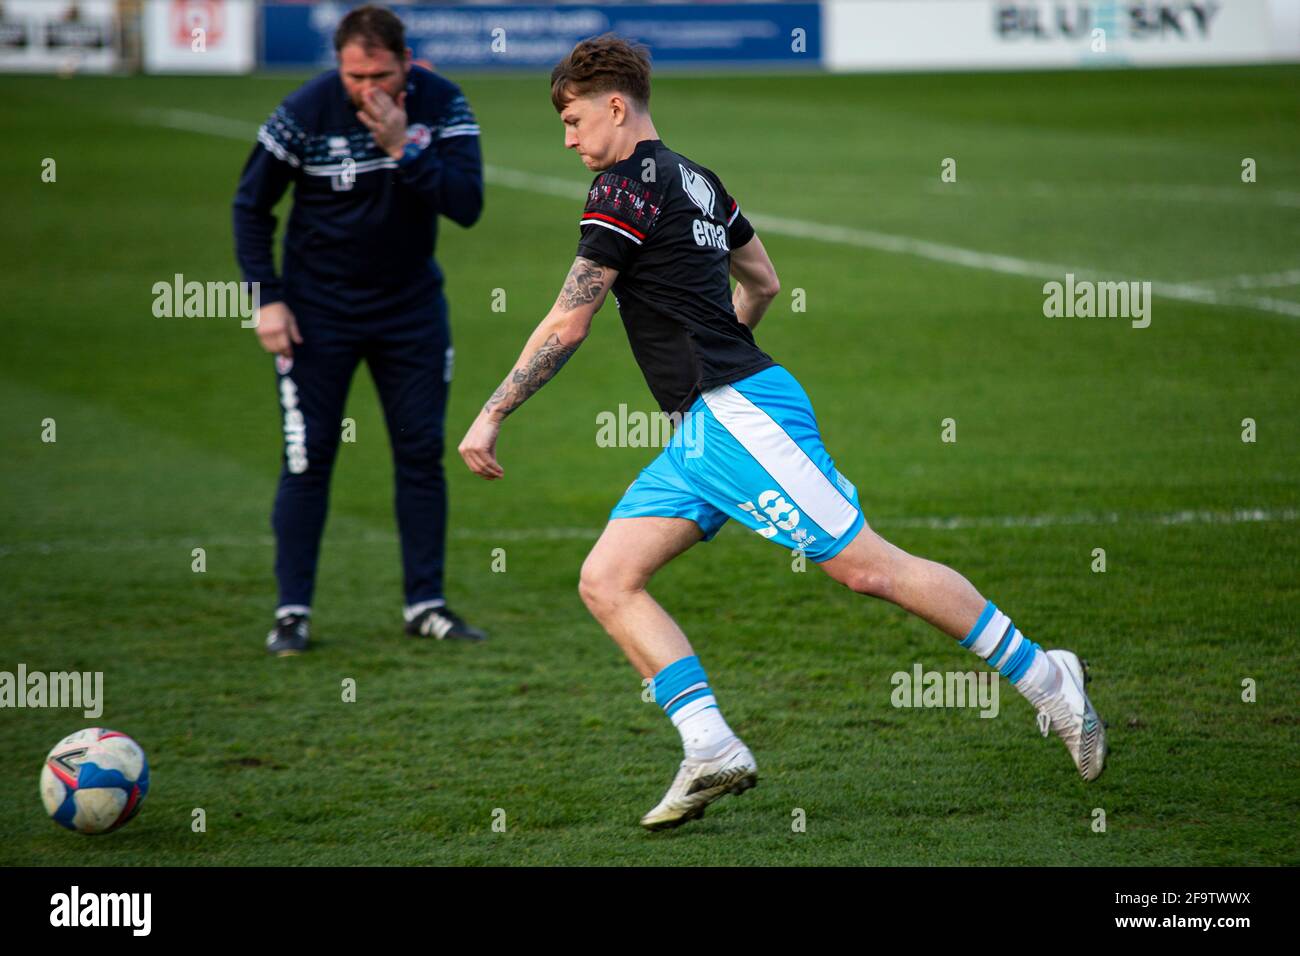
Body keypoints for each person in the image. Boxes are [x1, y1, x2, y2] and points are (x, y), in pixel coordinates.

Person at [458, 34, 1106, 830]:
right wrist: (718, 346)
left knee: (869, 568)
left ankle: (1049, 678)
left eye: (572, 118)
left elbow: (571, 319)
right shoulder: (699, 179)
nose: (569, 138)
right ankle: (710, 746)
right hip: (706, 425)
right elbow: (762, 279)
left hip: (737, 414)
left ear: (615, 107)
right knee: (608, 578)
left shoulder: (620, 189)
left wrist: (493, 411)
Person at [234, 4, 486, 655]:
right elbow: (251, 205)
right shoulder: (306, 110)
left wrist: (405, 147)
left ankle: (425, 604)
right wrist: (267, 299)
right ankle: (292, 613)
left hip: (411, 313)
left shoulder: (442, 104)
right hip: (317, 317)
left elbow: (467, 206)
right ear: (338, 68)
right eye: (354, 75)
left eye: (380, 73)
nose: (368, 88)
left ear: (407, 63)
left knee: (421, 453)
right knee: (308, 458)